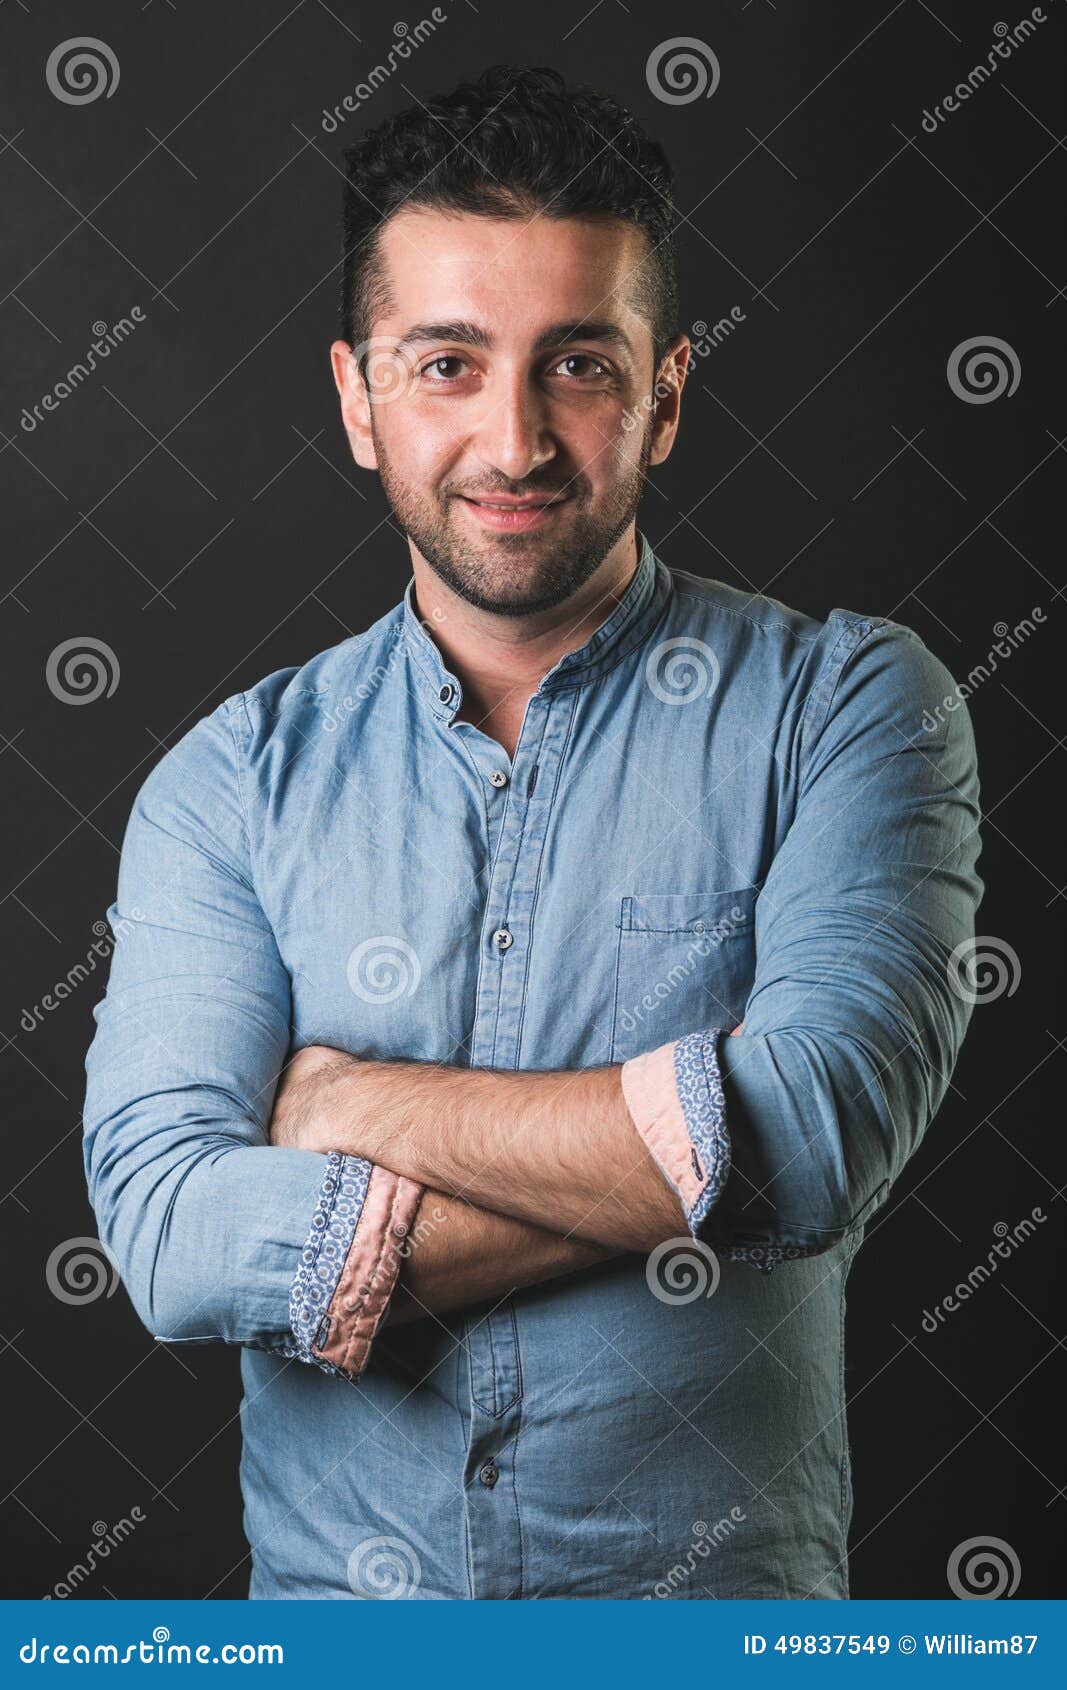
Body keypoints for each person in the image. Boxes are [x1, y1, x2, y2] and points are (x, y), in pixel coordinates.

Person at [83, 64, 983, 1600]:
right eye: (446, 363)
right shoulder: (230, 783)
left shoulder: (849, 707)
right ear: (358, 398)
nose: (514, 440)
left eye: (577, 362)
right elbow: (170, 1232)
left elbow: (813, 1132)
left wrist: (353, 1107)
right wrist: (671, 1154)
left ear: (668, 391)